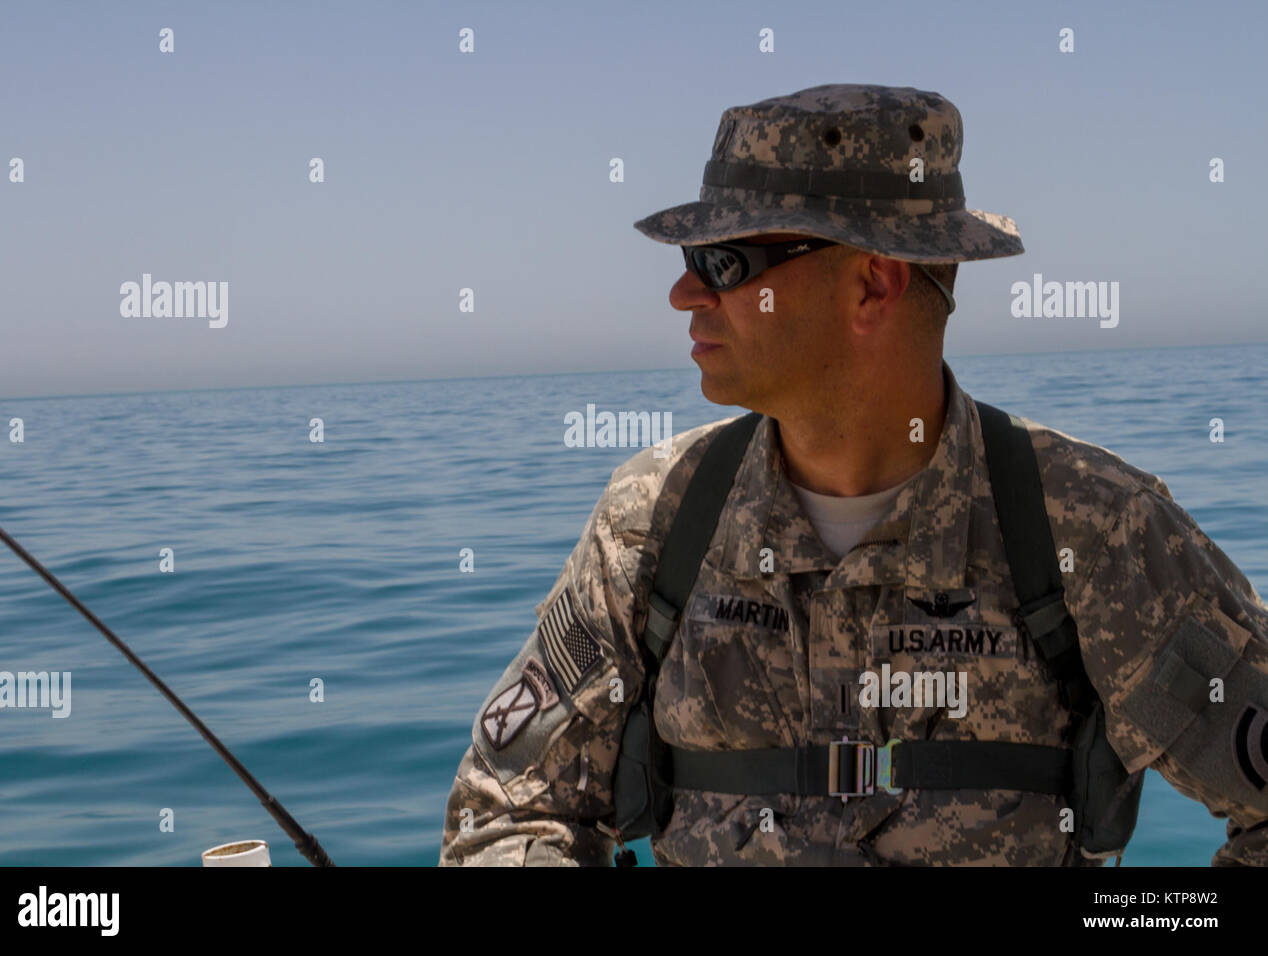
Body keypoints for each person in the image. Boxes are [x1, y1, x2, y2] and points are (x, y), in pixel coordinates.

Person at [438, 84, 1268, 866]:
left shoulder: (1093, 530)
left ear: (873, 283)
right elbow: (507, 809)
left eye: (726, 262)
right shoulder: (653, 522)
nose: (685, 293)